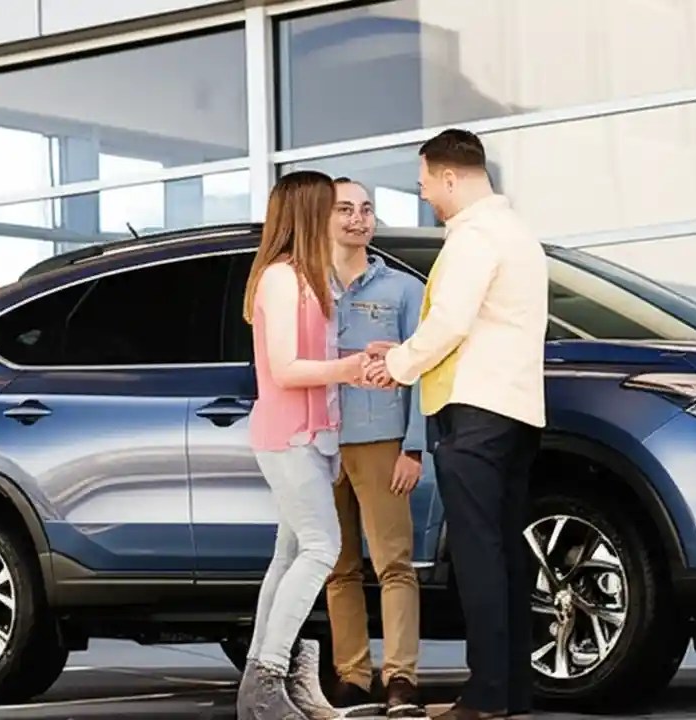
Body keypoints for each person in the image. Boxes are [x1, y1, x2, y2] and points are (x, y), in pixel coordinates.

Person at [363, 129, 548, 720]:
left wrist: (395, 364)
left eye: (424, 185)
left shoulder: (474, 237)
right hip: (516, 410)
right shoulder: (518, 234)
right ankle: (511, 690)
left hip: (474, 410)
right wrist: (409, 350)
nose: (426, 198)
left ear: (449, 176)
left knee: (477, 556)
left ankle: (485, 696)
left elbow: (449, 323)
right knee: (506, 554)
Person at [236, 169, 373, 720]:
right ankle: (268, 678)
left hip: (309, 439)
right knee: (321, 549)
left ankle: (268, 681)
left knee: (289, 555)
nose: (341, 216)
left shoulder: (304, 277)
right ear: (307, 213)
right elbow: (287, 368)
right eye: (330, 207)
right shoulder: (280, 278)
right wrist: (350, 369)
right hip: (287, 436)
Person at [323, 177, 427, 719]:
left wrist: (414, 447)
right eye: (345, 209)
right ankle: (352, 677)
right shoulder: (306, 290)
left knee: (394, 564)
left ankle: (401, 678)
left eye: (366, 209)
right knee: (338, 568)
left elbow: (423, 371)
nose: (357, 219)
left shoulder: (404, 290)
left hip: (383, 443)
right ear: (324, 218)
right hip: (322, 445)